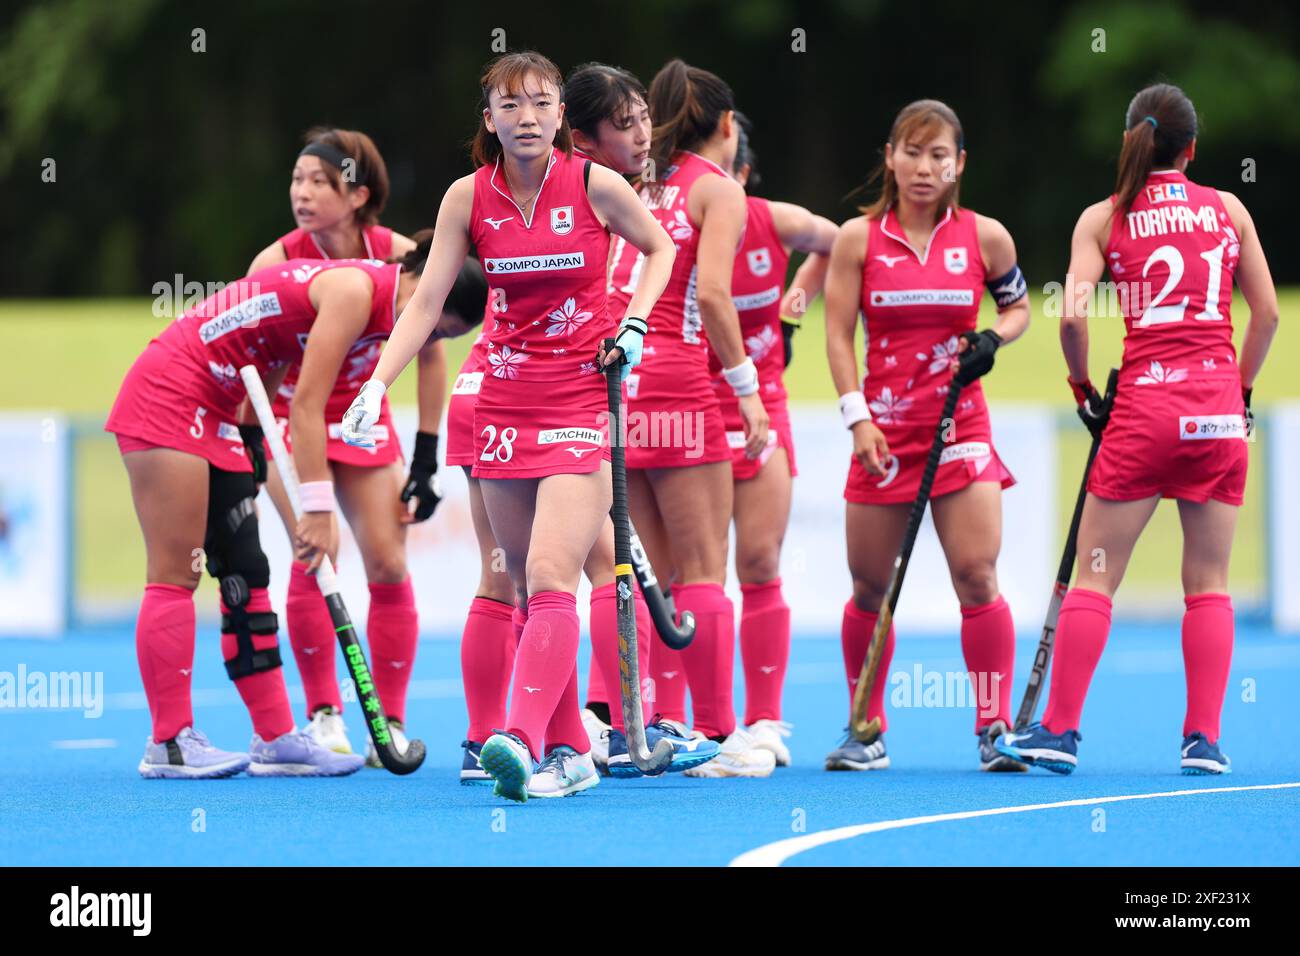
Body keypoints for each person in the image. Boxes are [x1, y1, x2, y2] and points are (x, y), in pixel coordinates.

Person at [341, 51, 680, 802]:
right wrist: (374, 383)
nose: (527, 118)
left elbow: (660, 249)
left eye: (541, 103)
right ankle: (568, 750)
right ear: (488, 118)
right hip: (503, 406)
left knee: (554, 574)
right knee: (524, 586)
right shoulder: (469, 197)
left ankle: (518, 741)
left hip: (582, 404)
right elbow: (427, 305)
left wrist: (634, 325)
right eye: (510, 105)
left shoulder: (596, 183)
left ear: (562, 115)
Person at [997, 83, 1277, 775]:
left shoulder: (1103, 217)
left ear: (1131, 140)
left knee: (1094, 578)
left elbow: (1070, 317)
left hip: (1144, 413)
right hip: (1216, 414)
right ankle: (1203, 740)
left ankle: (1059, 732)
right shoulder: (1229, 208)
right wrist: (1238, 393)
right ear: (1191, 149)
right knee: (1208, 582)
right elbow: (1266, 315)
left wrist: (1084, 391)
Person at [105, 249, 438, 778]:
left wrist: (251, 437)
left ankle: (275, 736)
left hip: (224, 410)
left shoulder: (369, 289)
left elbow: (274, 350)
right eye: (435, 321)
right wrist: (317, 510)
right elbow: (306, 404)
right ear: (418, 279)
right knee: (176, 572)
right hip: (169, 394)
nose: (426, 333)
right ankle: (168, 742)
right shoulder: (354, 290)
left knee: (246, 573)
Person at [822, 99, 1031, 773]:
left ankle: (994, 726)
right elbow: (836, 333)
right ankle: (865, 726)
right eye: (912, 152)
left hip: (959, 427)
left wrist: (994, 338)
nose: (924, 167)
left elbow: (1018, 305)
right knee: (868, 589)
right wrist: (857, 417)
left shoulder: (986, 237)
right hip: (883, 435)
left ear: (959, 164)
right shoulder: (859, 239)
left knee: (977, 574)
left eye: (939, 154)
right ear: (890, 156)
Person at [246, 128, 451, 767]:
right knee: (316, 554)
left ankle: (386, 718)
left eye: (318, 183)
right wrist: (250, 437)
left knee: (388, 564)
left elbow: (432, 355)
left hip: (362, 419)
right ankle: (324, 715)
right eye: (296, 181)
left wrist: (425, 458)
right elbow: (252, 358)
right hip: (290, 416)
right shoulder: (272, 261)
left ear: (358, 194)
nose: (301, 194)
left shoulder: (402, 257)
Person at [607, 59, 776, 779]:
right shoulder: (719, 190)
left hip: (621, 392)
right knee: (703, 568)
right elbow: (711, 297)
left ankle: (636, 725)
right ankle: (717, 732)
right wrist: (746, 389)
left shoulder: (638, 185)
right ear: (728, 126)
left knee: (646, 569)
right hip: (678, 383)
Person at [678, 112, 838, 775]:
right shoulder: (681, 227)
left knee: (762, 562)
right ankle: (698, 722)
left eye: (738, 181)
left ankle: (766, 717)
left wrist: (796, 307)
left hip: (763, 407)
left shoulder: (777, 222)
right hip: (698, 406)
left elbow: (840, 240)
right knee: (700, 572)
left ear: (746, 180)